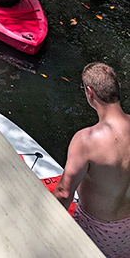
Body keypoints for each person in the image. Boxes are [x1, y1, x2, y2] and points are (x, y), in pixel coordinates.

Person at [54, 63, 130, 258]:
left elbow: (63, 193)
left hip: (97, 230)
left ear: (90, 92)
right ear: (118, 86)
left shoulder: (86, 140)